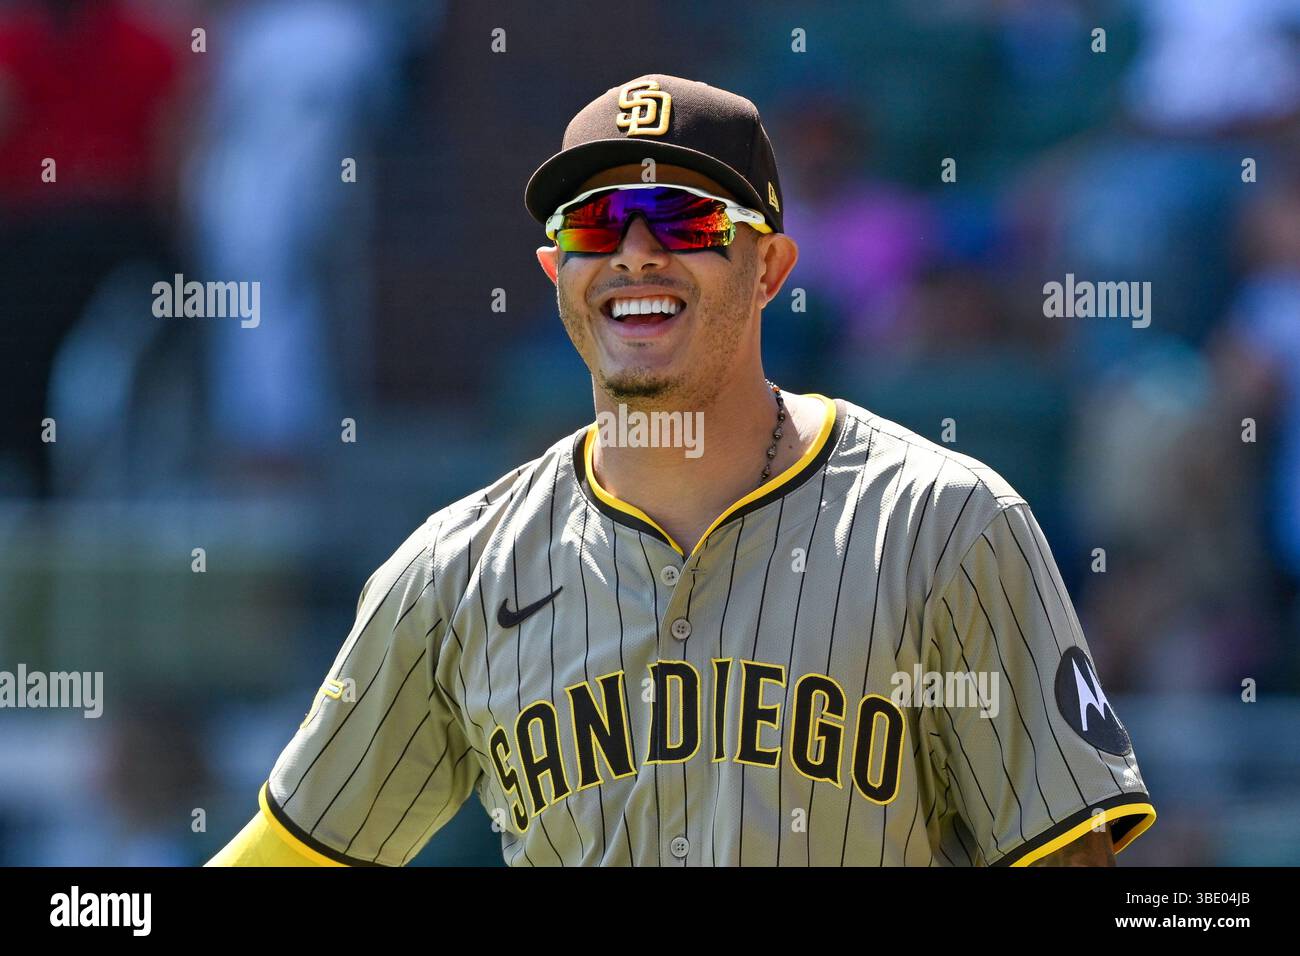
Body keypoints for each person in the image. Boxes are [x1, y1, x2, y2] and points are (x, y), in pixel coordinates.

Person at [208, 74, 1155, 867]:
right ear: (555, 270)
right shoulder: (455, 571)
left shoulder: (948, 525)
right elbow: (298, 852)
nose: (635, 253)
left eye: (684, 217)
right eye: (596, 223)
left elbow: (1066, 856)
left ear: (772, 267)